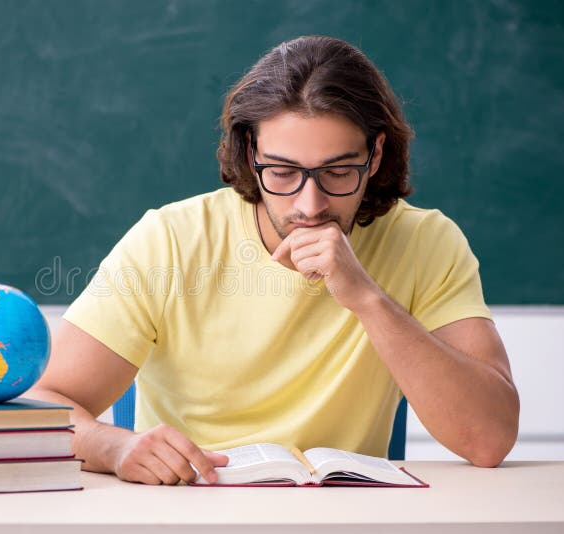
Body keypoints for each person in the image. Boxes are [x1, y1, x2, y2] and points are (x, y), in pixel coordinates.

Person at [26, 35, 519, 485]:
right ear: (249, 153)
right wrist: (114, 446)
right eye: (282, 172)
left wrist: (367, 299)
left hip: (345, 518)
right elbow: (44, 406)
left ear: (374, 156)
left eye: (339, 171)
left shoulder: (425, 241)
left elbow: (488, 440)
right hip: (191, 511)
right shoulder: (170, 239)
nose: (310, 204)